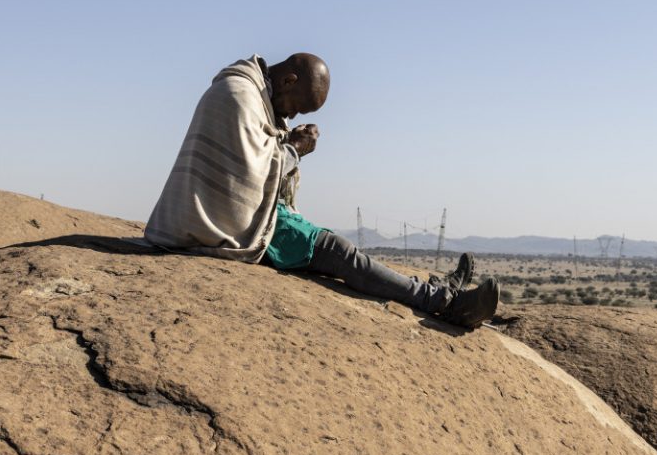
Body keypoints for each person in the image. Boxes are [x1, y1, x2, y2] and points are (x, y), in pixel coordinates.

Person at [144, 54, 500, 328]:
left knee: (331, 247)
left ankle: (439, 288)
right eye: (298, 104)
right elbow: (249, 171)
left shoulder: (252, 93)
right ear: (288, 80)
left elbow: (254, 157)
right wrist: (294, 149)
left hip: (235, 214)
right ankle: (443, 303)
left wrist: (286, 141)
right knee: (336, 250)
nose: (294, 113)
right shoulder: (236, 95)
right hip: (217, 225)